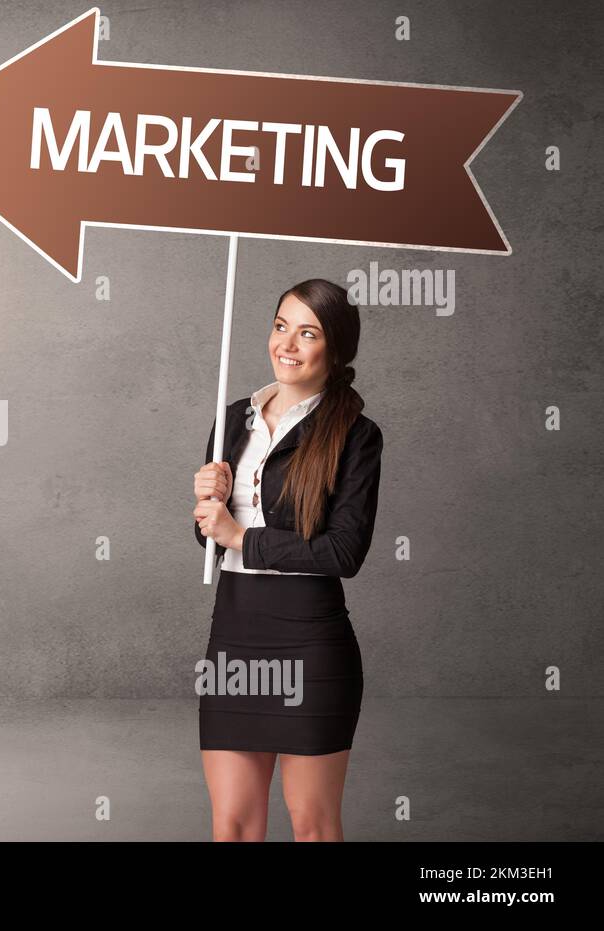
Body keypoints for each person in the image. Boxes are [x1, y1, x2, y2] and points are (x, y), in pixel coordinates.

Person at [192, 278, 384, 841]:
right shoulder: (232, 418)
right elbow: (211, 539)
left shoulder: (356, 435)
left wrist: (239, 537)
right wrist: (207, 506)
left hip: (311, 640)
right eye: (281, 326)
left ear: (336, 349)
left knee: (314, 828)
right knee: (233, 826)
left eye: (308, 333)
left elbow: (344, 551)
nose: (288, 345)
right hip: (233, 634)